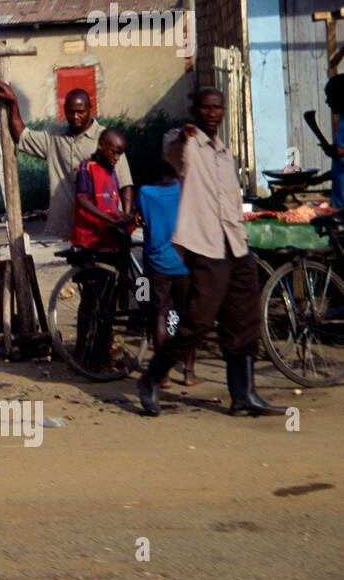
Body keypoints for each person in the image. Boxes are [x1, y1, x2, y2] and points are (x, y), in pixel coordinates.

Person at [138, 88, 287, 417]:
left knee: (244, 317)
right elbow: (171, 149)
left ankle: (244, 395)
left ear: (223, 111)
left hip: (235, 243)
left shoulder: (224, 153)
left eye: (217, 107)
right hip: (204, 245)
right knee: (198, 320)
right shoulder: (187, 143)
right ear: (195, 109)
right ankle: (151, 378)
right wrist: (183, 134)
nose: (211, 112)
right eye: (205, 107)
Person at [0, 82, 135, 240]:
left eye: (80, 112)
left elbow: (125, 183)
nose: (75, 117)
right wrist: (13, 102)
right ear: (64, 111)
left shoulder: (106, 139)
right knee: (84, 264)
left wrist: (125, 219)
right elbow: (21, 135)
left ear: (90, 109)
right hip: (74, 227)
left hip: (107, 224)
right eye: (70, 112)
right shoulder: (55, 138)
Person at [70, 128, 131, 369]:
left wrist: (124, 218)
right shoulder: (87, 168)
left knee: (108, 303)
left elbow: (111, 204)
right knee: (91, 300)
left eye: (120, 154)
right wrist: (109, 219)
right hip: (90, 242)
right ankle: (82, 353)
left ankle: (104, 353)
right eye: (114, 152)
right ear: (102, 145)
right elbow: (82, 200)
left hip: (108, 242)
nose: (117, 157)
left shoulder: (110, 170)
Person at [135, 156, 197, 387]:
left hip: (156, 261)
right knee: (186, 316)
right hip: (183, 261)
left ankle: (163, 376)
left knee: (159, 314)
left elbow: (137, 218)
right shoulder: (183, 191)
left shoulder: (145, 193)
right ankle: (189, 373)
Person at [325, 75, 344, 210]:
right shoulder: (342, 121)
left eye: (330, 96)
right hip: (339, 206)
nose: (327, 101)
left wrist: (341, 152)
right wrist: (318, 179)